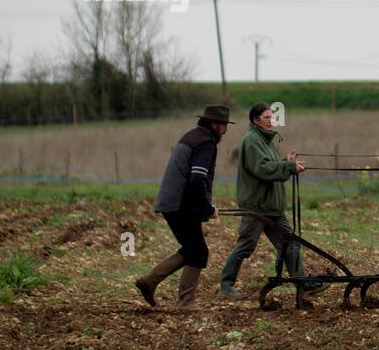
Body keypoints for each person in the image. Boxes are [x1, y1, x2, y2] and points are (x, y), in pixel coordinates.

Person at [218, 102, 321, 297]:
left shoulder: (266, 141)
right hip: (256, 206)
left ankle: (302, 283)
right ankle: (226, 286)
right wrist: (289, 168)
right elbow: (263, 169)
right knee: (245, 247)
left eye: (271, 118)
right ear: (255, 120)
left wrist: (286, 162)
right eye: (266, 118)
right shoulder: (252, 141)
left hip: (272, 207)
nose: (270, 122)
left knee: (290, 243)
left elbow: (271, 165)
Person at [135, 104, 229, 311]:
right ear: (214, 124)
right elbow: (197, 179)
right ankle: (186, 302)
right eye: (223, 125)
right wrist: (206, 207)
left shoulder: (191, 136)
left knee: (192, 249)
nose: (225, 130)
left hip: (173, 202)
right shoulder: (206, 144)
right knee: (199, 252)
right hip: (181, 204)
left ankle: (149, 282)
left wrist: (203, 205)